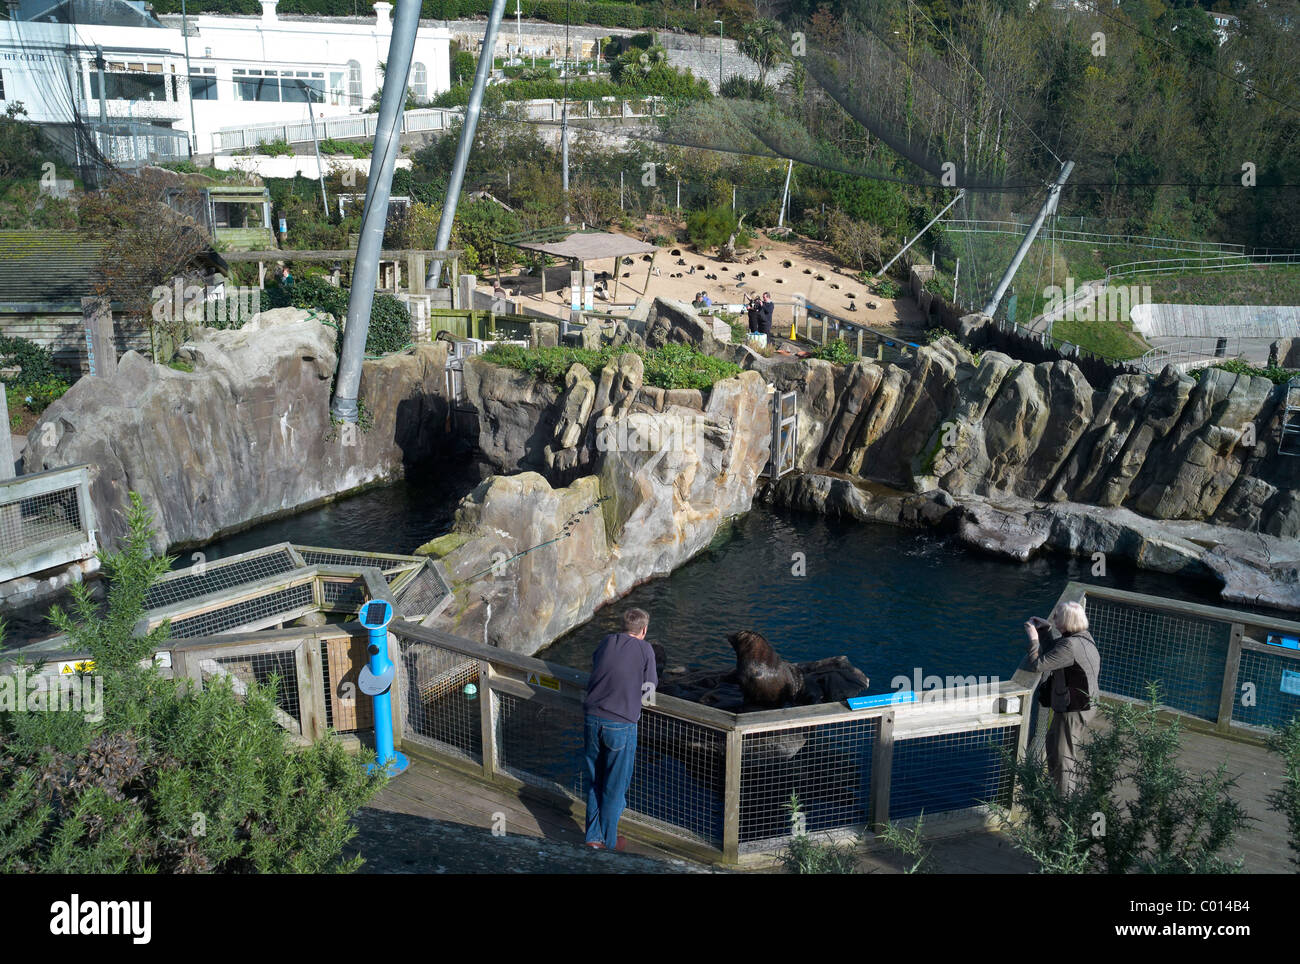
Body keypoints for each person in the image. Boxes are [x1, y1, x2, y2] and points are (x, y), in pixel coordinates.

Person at [583, 608, 657, 851]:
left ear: (623, 626)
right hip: (621, 723)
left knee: (596, 779)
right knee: (615, 786)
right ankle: (609, 843)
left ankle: (593, 838)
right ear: (644, 630)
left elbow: (596, 665)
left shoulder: (606, 641)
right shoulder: (646, 649)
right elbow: (649, 690)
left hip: (593, 718)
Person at [1024, 600, 1101, 795]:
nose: (1054, 617)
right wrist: (1045, 630)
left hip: (1075, 708)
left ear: (1066, 620)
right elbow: (1055, 654)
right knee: (1053, 745)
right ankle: (1057, 790)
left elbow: (1037, 664)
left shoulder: (1070, 645)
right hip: (1081, 704)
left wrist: (1033, 639)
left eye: (1057, 616)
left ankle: (1065, 802)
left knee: (1063, 756)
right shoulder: (1082, 637)